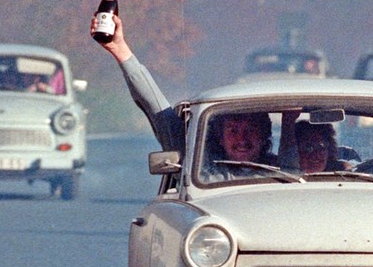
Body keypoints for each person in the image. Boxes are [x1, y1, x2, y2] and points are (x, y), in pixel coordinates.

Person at [91, 14, 277, 180]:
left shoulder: (285, 175)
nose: (242, 139)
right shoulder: (201, 171)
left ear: (264, 135)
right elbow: (156, 107)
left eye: (250, 129)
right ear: (221, 138)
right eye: (233, 131)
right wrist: (120, 48)